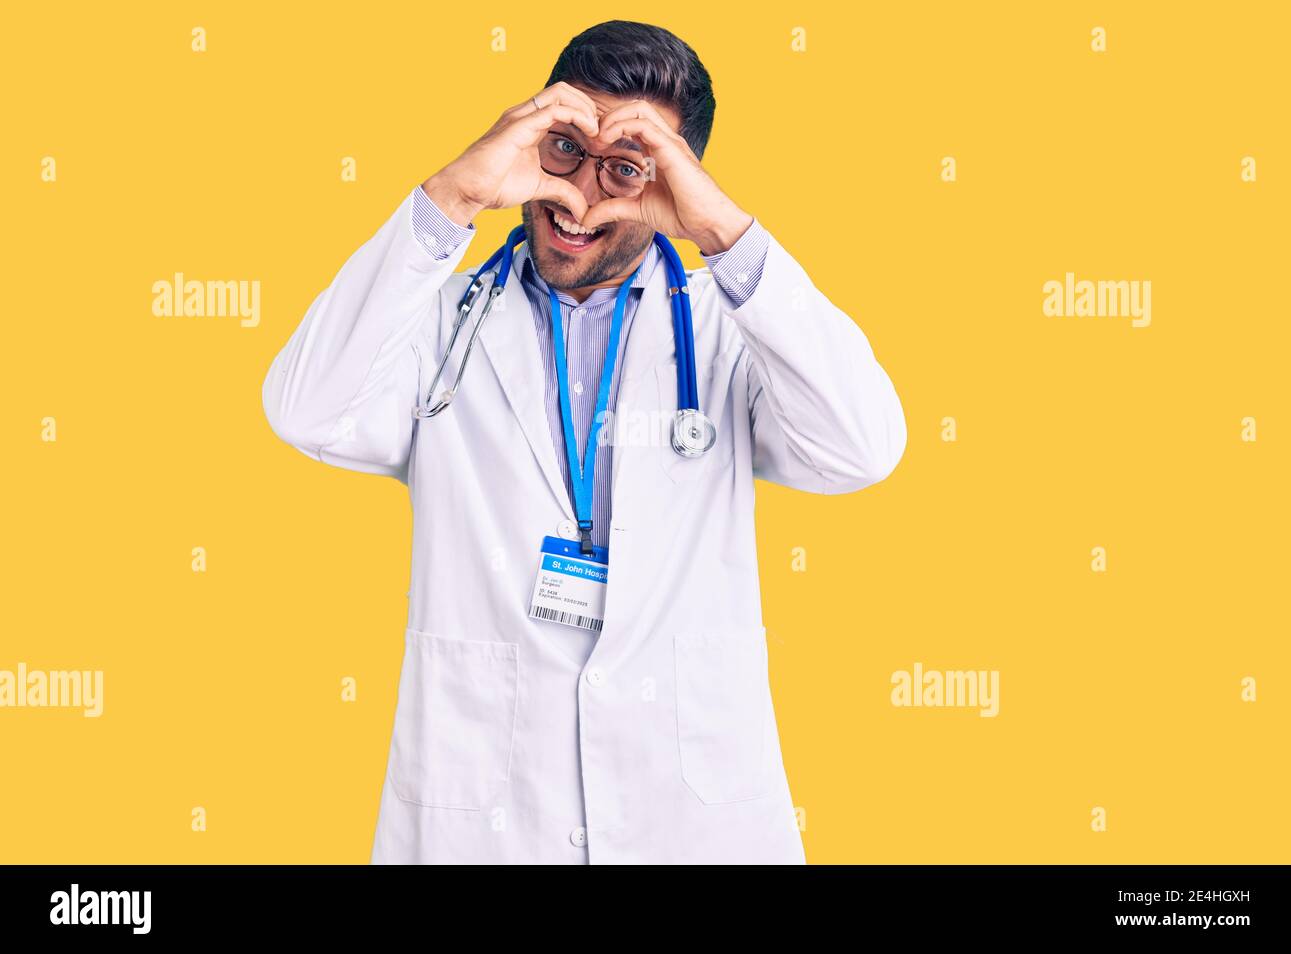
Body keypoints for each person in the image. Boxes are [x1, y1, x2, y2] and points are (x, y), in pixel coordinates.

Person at [262, 20, 906, 864]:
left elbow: (861, 446)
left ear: (673, 183)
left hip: (691, 822)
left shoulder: (727, 332)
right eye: (566, 149)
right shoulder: (439, 328)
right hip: (486, 824)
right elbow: (307, 409)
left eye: (627, 169)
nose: (581, 198)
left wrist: (722, 232)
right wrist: (451, 195)